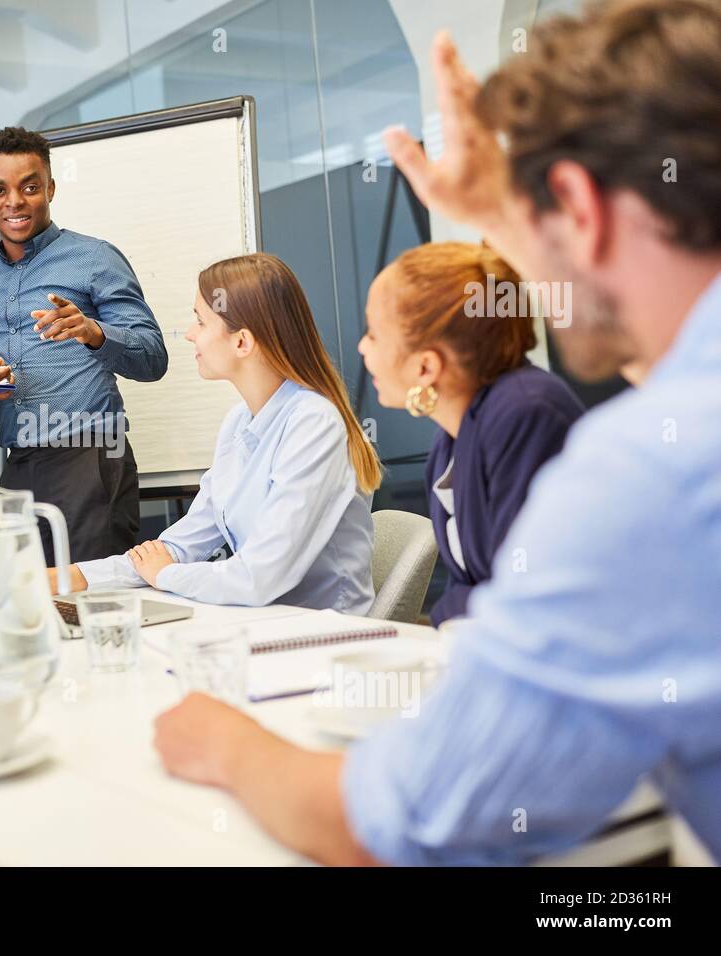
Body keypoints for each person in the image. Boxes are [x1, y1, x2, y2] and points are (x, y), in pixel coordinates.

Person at [151, 0, 721, 866]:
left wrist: (223, 741)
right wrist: (508, 211)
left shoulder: (646, 470)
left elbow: (391, 822)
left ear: (575, 202)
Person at [56, 254, 380, 613]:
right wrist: (66, 577)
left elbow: (257, 578)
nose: (190, 334)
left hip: (323, 637)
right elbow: (175, 549)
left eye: (200, 321)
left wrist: (166, 576)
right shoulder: (239, 424)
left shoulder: (314, 425)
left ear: (241, 342)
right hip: (263, 621)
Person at [0, 126, 168, 564]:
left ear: (50, 187)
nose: (13, 201)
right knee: (28, 604)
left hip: (92, 457)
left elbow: (153, 356)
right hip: (18, 465)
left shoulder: (94, 258)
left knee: (89, 598)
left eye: (29, 187)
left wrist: (94, 332)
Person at [359, 241, 583, 625]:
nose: (362, 347)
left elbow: (525, 597)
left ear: (426, 367)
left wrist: (467, 607)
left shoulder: (526, 412)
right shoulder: (454, 435)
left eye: (374, 334)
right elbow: (468, 590)